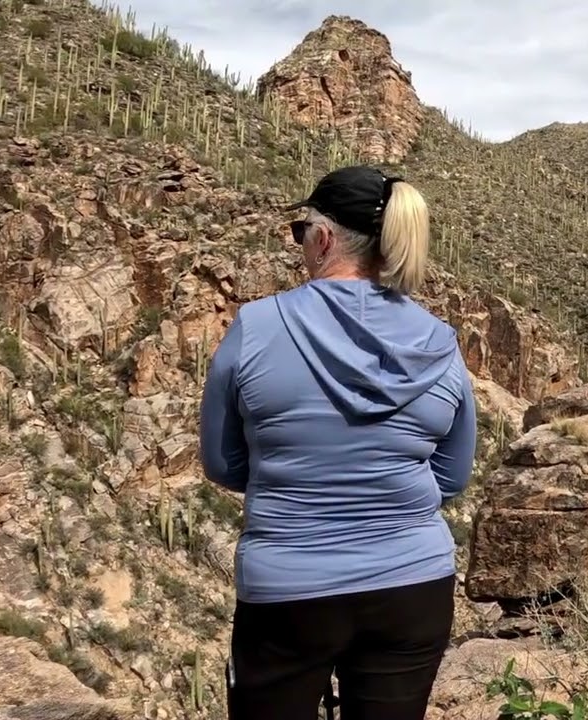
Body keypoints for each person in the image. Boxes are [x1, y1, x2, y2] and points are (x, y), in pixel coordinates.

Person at [197, 164, 478, 720]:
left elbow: (222, 462)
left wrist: (297, 477)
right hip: (413, 586)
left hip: (288, 591)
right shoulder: (440, 345)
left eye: (301, 231)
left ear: (322, 238)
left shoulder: (256, 328)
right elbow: (453, 475)